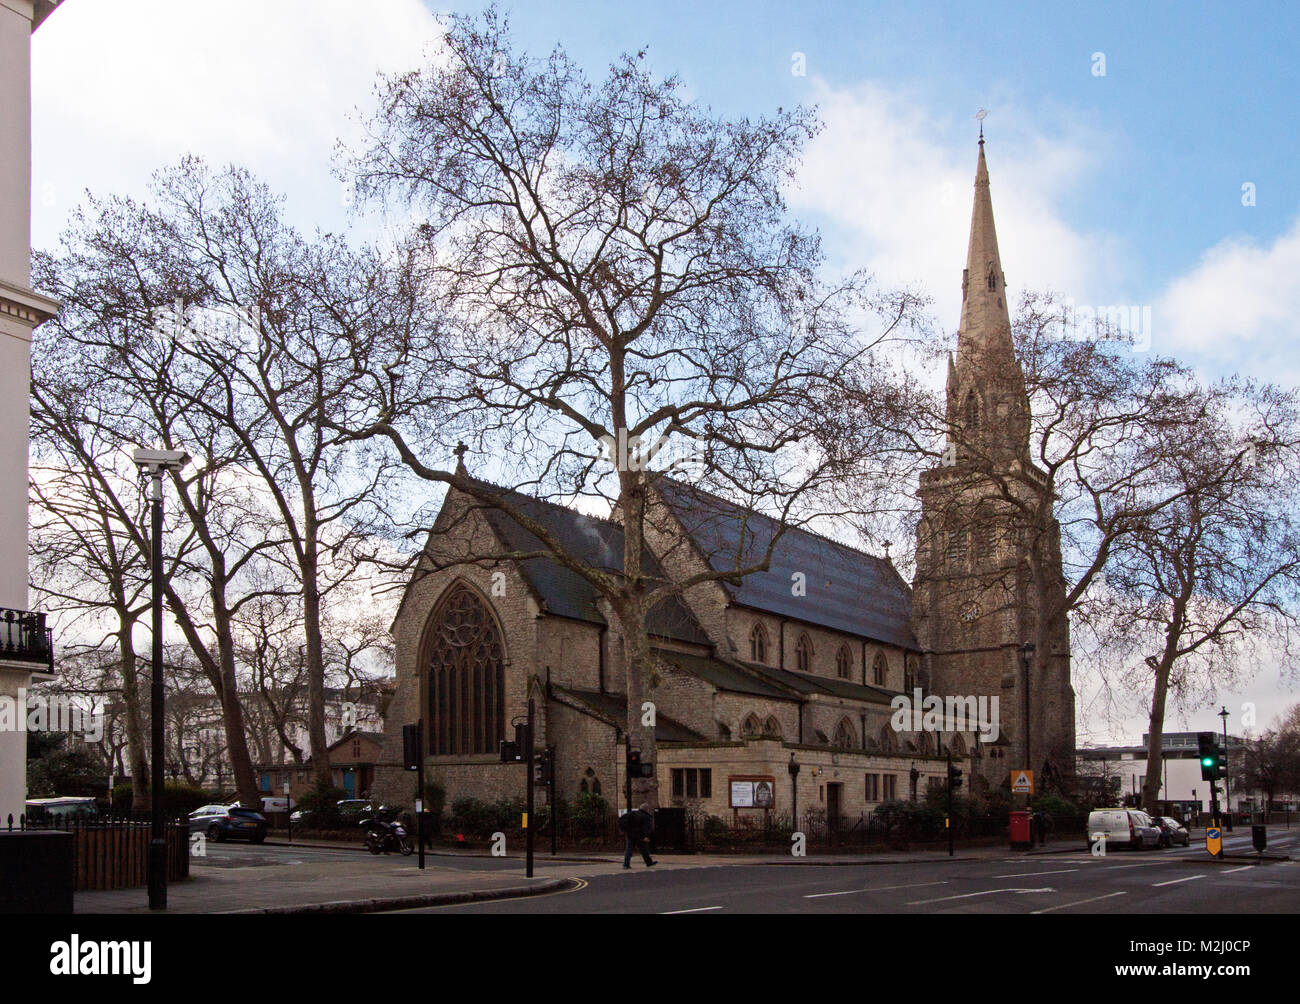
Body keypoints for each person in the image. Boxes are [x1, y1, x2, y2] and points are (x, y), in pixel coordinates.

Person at [622, 802, 658, 869]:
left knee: (629, 850)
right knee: (644, 849)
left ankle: (626, 864)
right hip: (640, 835)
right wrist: (646, 836)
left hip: (630, 835)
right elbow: (646, 828)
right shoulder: (646, 816)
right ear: (647, 809)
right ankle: (649, 862)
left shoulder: (633, 814)